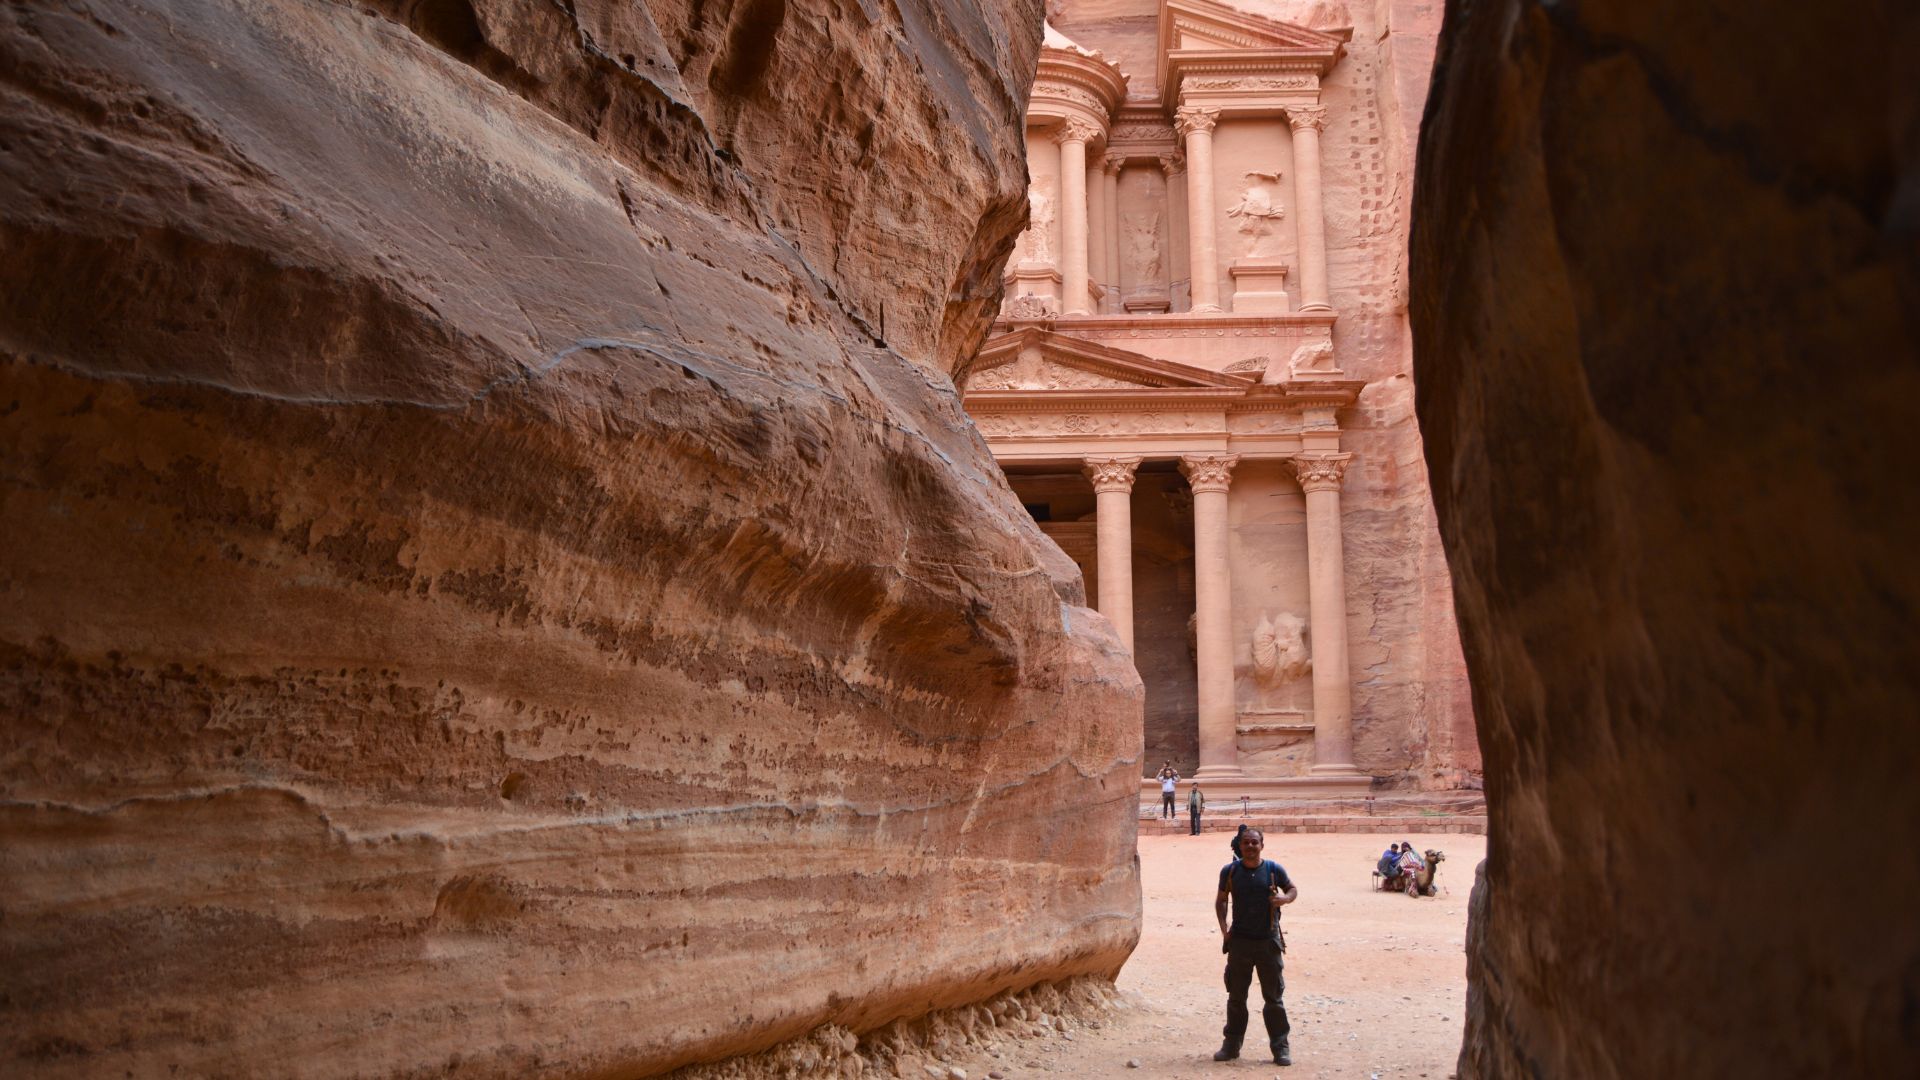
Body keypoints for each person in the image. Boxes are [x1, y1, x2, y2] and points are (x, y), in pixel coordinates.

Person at [1213, 828, 1296, 1066]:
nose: (1250, 846)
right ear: (1239, 846)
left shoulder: (1273, 870)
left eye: (1254, 842)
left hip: (1268, 942)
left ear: (1262, 845)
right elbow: (1221, 900)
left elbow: (1292, 889)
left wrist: (1285, 899)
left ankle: (1280, 1047)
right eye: (1246, 843)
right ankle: (1231, 1045)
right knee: (1236, 998)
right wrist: (1224, 930)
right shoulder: (1230, 871)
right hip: (1240, 943)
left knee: (1273, 999)